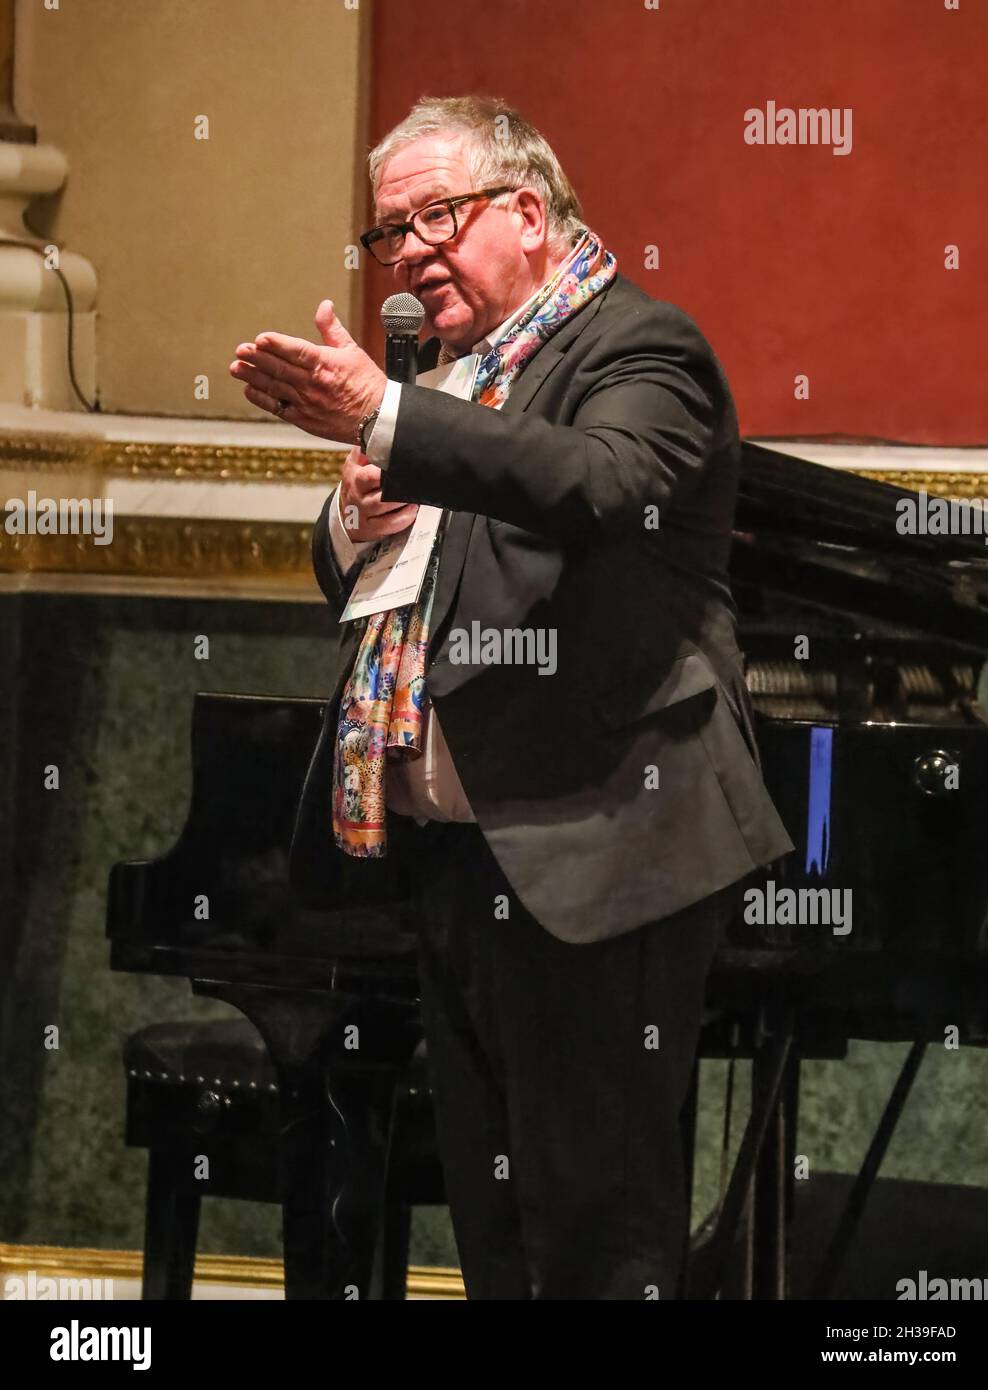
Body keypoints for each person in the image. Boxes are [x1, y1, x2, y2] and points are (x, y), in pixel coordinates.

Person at [230, 95, 793, 1300]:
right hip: (458, 865)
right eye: (391, 231)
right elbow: (378, 567)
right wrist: (351, 509)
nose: (409, 249)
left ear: (529, 212)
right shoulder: (458, 382)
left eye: (437, 214)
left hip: (598, 853)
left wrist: (388, 413)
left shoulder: (640, 347)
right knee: (495, 1235)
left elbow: (599, 484)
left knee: (594, 1235)